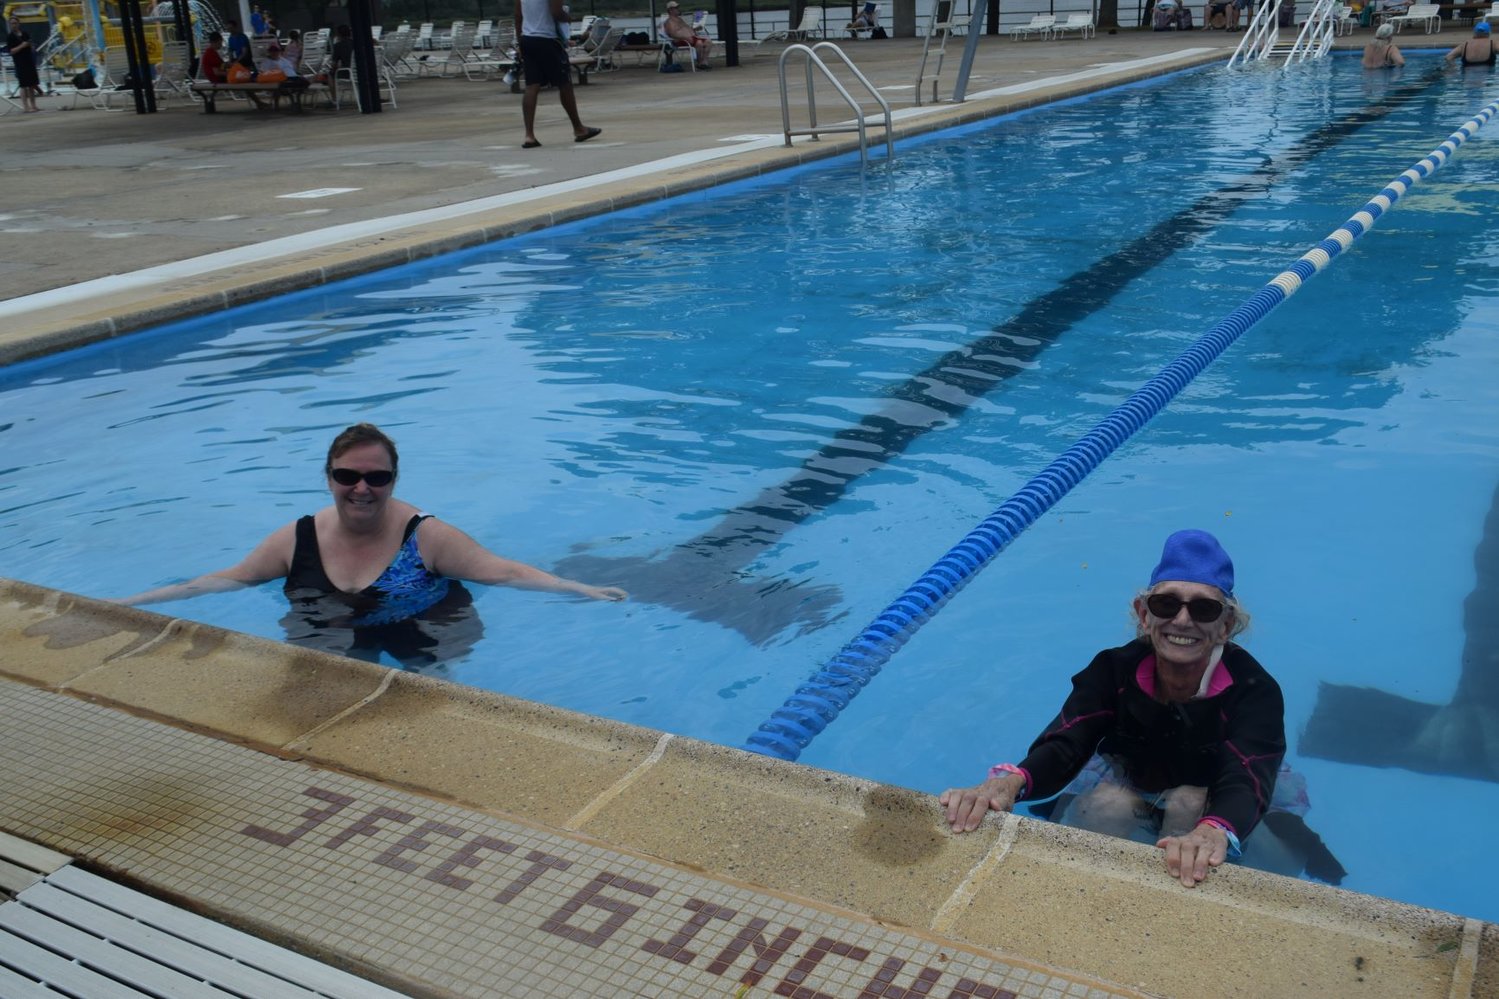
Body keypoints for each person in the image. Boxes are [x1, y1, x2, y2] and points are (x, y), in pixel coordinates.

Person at [941, 530, 1290, 888]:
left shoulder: (1253, 691)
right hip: (1132, 779)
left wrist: (1215, 829)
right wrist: (1011, 783)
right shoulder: (1114, 669)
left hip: (1214, 787)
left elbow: (1247, 774)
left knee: (1189, 804)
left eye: (1204, 608)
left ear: (1225, 627)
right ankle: (1088, 895)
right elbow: (1068, 741)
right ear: (1144, 615)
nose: (1183, 621)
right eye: (1166, 605)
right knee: (1109, 804)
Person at [118, 424, 626, 667]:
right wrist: (133, 605)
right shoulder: (297, 539)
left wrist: (580, 588)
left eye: (377, 477)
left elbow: (503, 572)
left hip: (428, 624)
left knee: (423, 705)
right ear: (329, 477)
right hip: (331, 624)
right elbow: (226, 579)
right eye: (348, 475)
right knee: (307, 687)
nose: (362, 489)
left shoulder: (426, 537)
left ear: (394, 478)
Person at [516, 0, 602, 148]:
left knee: (532, 86)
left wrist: (520, 42)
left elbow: (518, 16)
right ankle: (579, 128)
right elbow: (556, 12)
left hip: (527, 39)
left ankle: (529, 135)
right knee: (564, 84)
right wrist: (568, 17)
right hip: (548, 40)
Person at [4, 16, 42, 113]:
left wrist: (30, 46)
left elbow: (30, 44)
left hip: (29, 61)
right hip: (20, 63)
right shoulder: (10, 37)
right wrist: (22, 45)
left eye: (15, 23)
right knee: (23, 85)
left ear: (18, 24)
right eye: (12, 23)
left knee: (32, 84)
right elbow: (12, 51)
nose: (14, 25)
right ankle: (26, 107)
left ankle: (33, 105)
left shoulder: (25, 34)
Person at [661, 1, 711, 69]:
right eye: (676, 8)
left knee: (708, 42)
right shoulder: (669, 22)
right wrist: (685, 37)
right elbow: (672, 34)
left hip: (691, 38)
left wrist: (695, 29)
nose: (678, 9)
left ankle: (704, 62)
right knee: (699, 43)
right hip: (680, 40)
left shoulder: (680, 19)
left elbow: (688, 29)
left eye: (678, 7)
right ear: (670, 10)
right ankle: (699, 63)